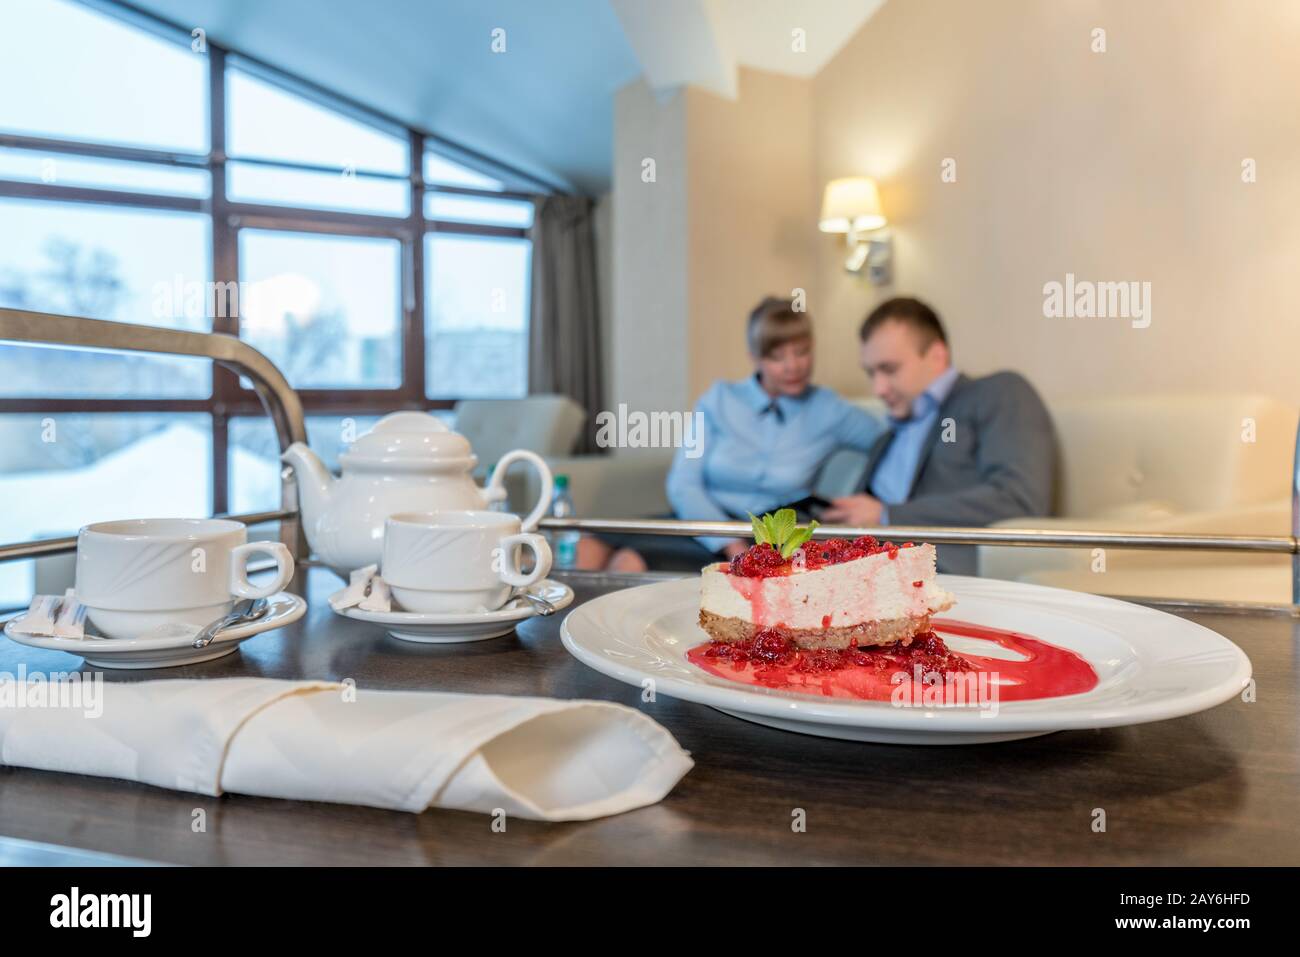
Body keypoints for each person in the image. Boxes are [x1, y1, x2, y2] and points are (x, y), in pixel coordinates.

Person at [577, 296, 884, 571]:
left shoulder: (830, 410)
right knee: (588, 546)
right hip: (702, 519)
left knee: (629, 561)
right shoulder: (719, 399)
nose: (793, 366)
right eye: (777, 357)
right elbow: (684, 483)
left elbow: (890, 442)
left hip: (768, 535)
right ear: (755, 356)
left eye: (802, 352)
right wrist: (728, 541)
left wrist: (875, 501)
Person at [821, 296, 1057, 573]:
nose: (879, 389)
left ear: (937, 356)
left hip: (935, 570)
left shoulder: (998, 392)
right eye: (871, 373)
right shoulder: (889, 436)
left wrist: (887, 515)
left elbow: (1019, 497)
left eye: (889, 369)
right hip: (857, 567)